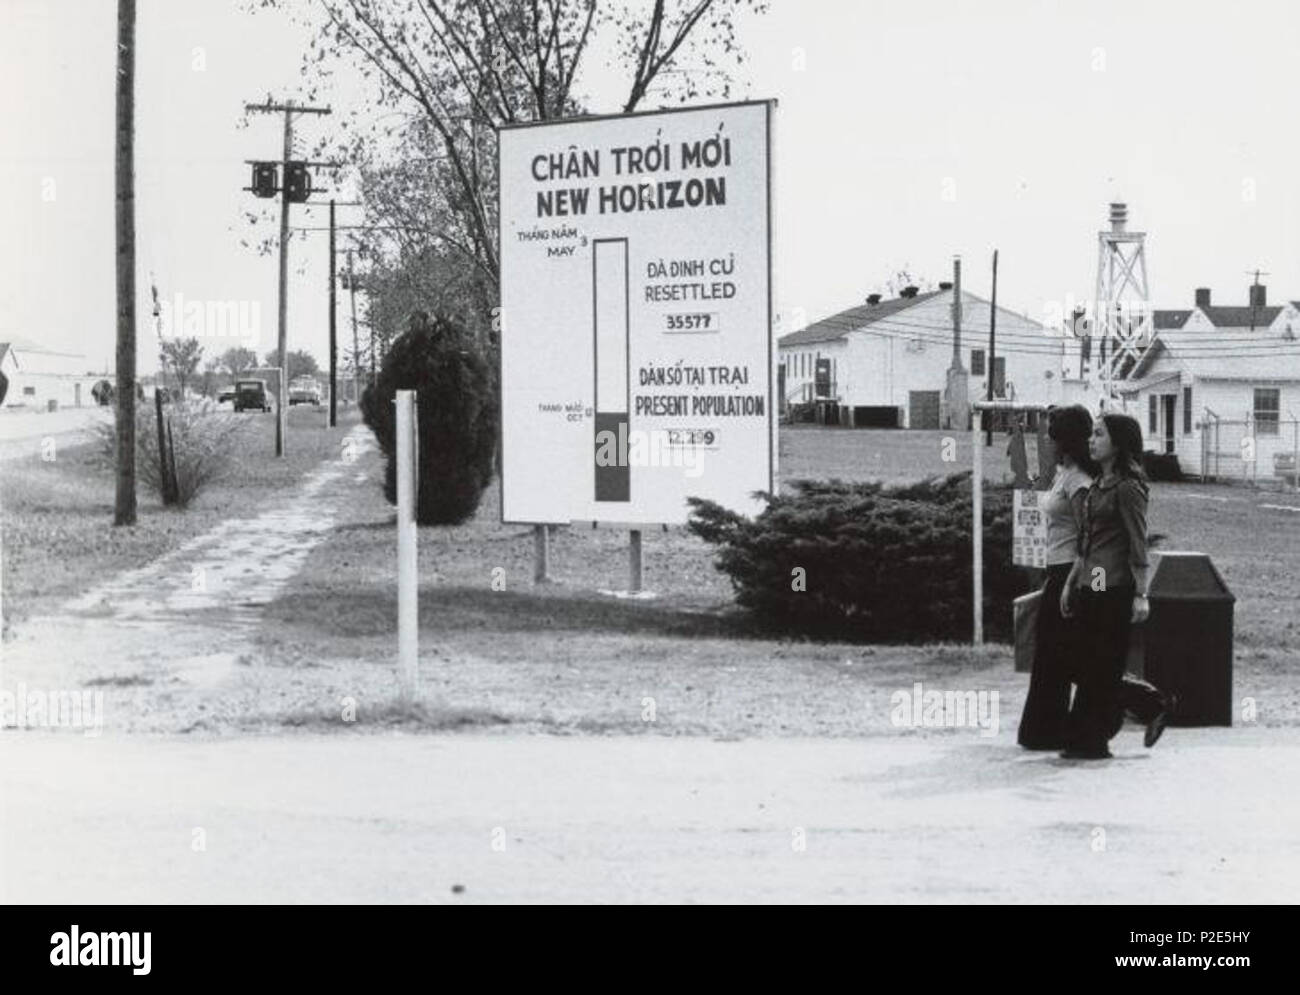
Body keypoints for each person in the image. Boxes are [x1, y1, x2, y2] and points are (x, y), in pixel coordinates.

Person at [1059, 413, 1172, 759]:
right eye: (1091, 434)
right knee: (1081, 662)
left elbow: (1138, 544)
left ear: (1118, 443)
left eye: (1099, 435)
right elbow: (1087, 542)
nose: (1091, 440)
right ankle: (1150, 704)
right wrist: (1071, 583)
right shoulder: (1097, 486)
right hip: (1094, 581)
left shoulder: (1128, 488)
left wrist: (1141, 593)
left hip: (1115, 586)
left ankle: (1090, 739)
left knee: (1099, 666)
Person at [1018, 406, 1097, 750]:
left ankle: (1048, 728)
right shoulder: (1063, 474)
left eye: (1051, 435)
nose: (1046, 441)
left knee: (1057, 652)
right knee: (1052, 652)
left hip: (1070, 571)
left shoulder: (1079, 479)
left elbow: (1089, 532)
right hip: (1056, 568)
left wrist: (1073, 582)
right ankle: (1044, 729)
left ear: (1064, 440)